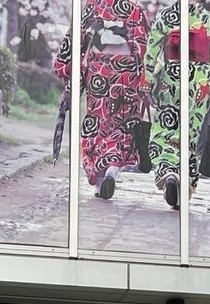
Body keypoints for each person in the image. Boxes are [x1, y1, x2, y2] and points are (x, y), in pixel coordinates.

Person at [148, 0, 210, 207]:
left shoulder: (166, 16)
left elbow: (152, 50)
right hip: (200, 82)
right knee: (190, 133)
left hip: (171, 78)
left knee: (166, 127)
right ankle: (184, 177)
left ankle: (168, 171)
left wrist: (146, 79)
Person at [55, 2, 153, 201]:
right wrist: (145, 78)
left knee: (98, 124)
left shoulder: (94, 6)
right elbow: (145, 45)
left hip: (100, 72)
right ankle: (112, 171)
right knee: (123, 127)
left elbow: (76, 37)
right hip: (127, 77)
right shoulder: (134, 9)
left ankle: (100, 181)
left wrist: (64, 67)